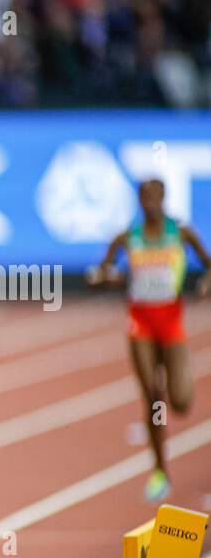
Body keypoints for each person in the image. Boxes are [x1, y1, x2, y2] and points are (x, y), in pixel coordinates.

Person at [87, 178, 211, 501]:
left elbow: (209, 267)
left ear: (164, 198)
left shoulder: (180, 234)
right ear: (139, 201)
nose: (150, 202)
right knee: (153, 397)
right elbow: (103, 276)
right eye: (145, 197)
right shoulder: (128, 239)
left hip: (171, 324)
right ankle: (160, 471)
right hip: (140, 325)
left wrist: (204, 284)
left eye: (155, 196)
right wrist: (105, 279)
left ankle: (174, 389)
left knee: (181, 401)